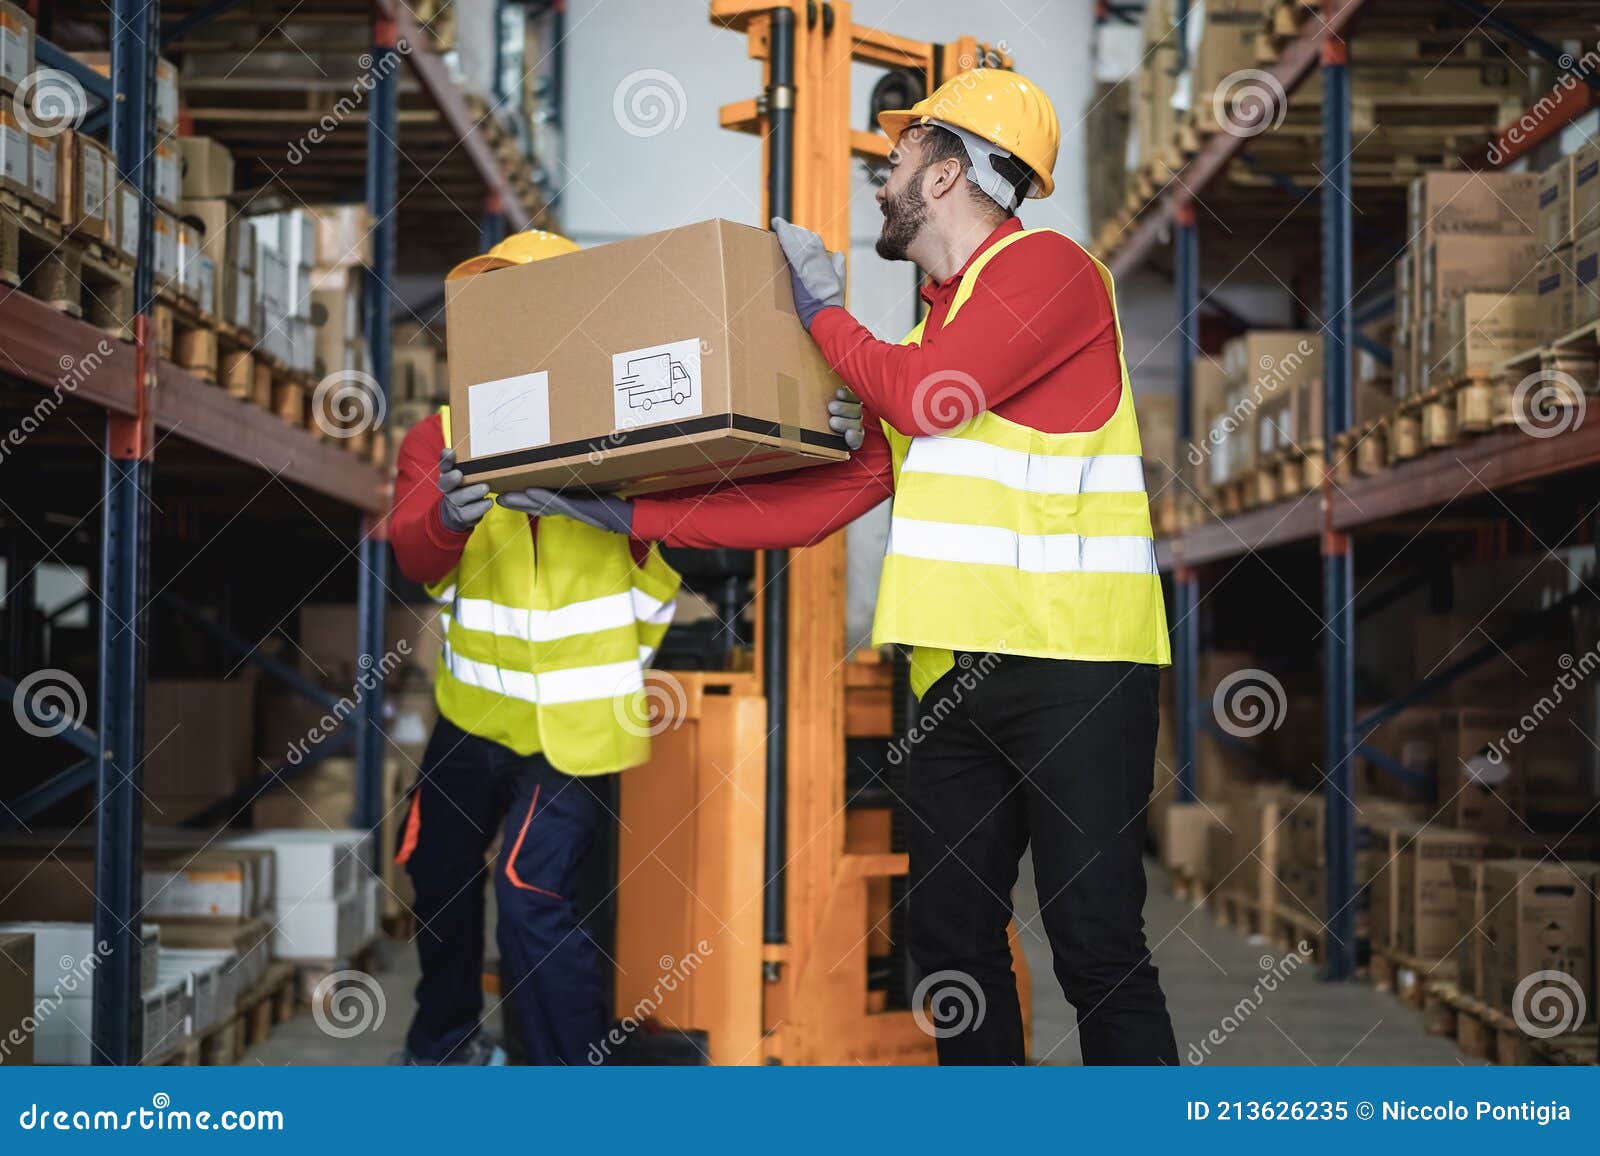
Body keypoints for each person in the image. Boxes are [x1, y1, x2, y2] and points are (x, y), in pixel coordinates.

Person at [499, 71, 1178, 1066]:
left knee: (1094, 943)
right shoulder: (920, 338)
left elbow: (928, 398)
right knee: (946, 941)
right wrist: (620, 510)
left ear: (948, 174)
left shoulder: (1053, 274)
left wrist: (819, 307)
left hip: (1075, 667)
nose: (879, 179)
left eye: (896, 158)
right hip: (949, 679)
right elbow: (814, 503)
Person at [387, 229, 684, 1065]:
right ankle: (443, 1046)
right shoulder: (439, 436)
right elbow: (412, 555)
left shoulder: (633, 432)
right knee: (438, 874)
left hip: (578, 726)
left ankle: (562, 1082)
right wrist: (448, 512)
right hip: (477, 713)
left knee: (528, 894)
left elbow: (726, 480)